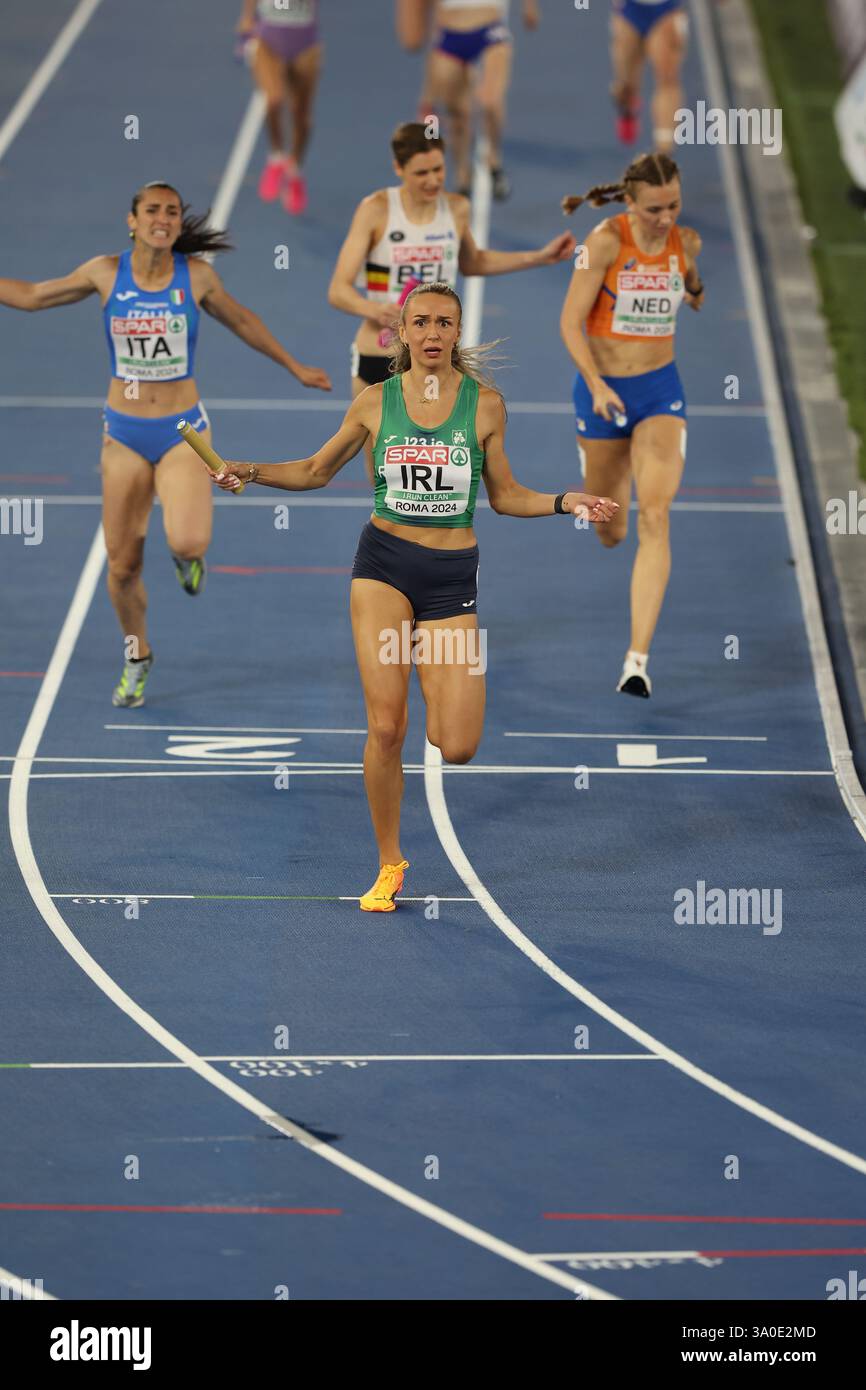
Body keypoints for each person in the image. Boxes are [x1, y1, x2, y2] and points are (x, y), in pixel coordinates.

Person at [200, 284, 617, 910]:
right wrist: (249, 470)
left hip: (451, 579)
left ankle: (436, 669)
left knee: (459, 746)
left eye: (443, 323)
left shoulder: (486, 406)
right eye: (419, 322)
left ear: (456, 332)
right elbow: (315, 471)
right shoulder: (374, 402)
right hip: (384, 568)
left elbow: (504, 497)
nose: (431, 333)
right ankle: (390, 862)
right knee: (387, 726)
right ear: (400, 331)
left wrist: (566, 501)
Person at [0, 181, 331, 707]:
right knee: (122, 566)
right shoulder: (104, 273)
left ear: (179, 224)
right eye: (152, 210)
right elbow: (36, 296)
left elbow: (242, 319)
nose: (163, 218)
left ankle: (185, 561)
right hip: (124, 432)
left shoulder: (196, 276)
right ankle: (137, 655)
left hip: (183, 431)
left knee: (187, 542)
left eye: (172, 212)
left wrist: (295, 366)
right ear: (131, 220)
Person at [328, 121, 576, 484]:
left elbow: (472, 262)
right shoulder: (377, 210)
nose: (432, 180)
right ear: (399, 169)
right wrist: (374, 309)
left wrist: (538, 257)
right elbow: (338, 289)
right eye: (421, 172)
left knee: (437, 467)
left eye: (438, 169)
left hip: (434, 359)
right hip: (379, 356)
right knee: (384, 479)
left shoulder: (456, 209)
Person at [559, 152, 704, 697]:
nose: (664, 218)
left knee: (656, 514)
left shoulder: (684, 242)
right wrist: (596, 384)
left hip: (660, 393)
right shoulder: (602, 243)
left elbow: (691, 280)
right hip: (601, 395)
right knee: (610, 529)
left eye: (673, 206)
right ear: (629, 202)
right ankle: (597, 477)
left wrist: (693, 292)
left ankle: (636, 660)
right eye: (653, 209)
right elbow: (569, 323)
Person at [426, 0, 540, 198]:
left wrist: (530, 7)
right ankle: (462, 176)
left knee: (491, 101)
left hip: (490, 31)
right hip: (450, 34)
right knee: (457, 112)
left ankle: (494, 163)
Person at [236, 0, 323, 214]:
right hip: (268, 40)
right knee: (274, 99)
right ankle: (276, 157)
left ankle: (294, 171)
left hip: (305, 43)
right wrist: (247, 16)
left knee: (301, 115)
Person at [610, 0, 687, 153]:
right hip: (629, 10)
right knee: (626, 82)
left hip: (667, 10)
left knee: (668, 78)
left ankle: (664, 151)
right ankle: (628, 107)